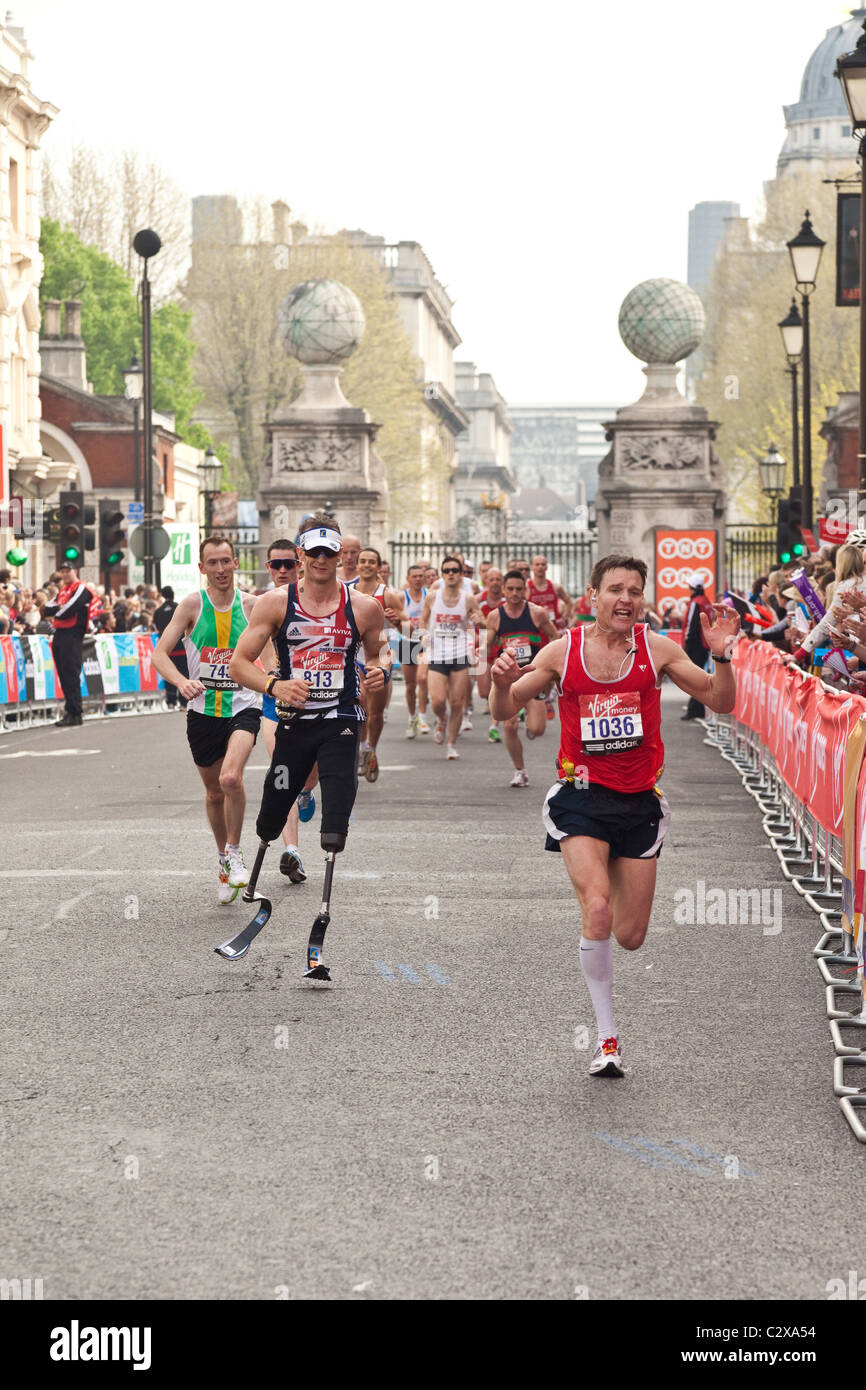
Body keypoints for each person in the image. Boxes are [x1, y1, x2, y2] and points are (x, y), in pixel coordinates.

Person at [489, 554, 739, 1078]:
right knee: (597, 909)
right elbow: (504, 709)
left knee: (629, 935)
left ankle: (607, 1022)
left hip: (639, 802)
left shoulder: (660, 649)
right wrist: (500, 679)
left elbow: (720, 702)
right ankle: (607, 1041)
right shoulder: (564, 650)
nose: (625, 598)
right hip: (581, 798)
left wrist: (723, 657)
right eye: (615, 589)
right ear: (593, 596)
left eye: (634, 590)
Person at [229, 513, 387, 893]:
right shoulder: (275, 604)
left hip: (342, 716)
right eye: (313, 552)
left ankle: (326, 890)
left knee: (337, 807)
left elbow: (379, 652)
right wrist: (275, 686)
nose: (321, 560)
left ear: (340, 557)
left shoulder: (364, 608)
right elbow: (237, 665)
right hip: (295, 719)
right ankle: (260, 865)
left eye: (328, 553)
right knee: (276, 798)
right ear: (301, 555)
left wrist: (381, 669)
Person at [153, 537, 261, 905]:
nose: (220, 569)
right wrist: (182, 681)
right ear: (202, 568)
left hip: (244, 704)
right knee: (214, 792)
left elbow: (277, 657)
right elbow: (159, 654)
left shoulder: (253, 606)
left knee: (232, 777)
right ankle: (223, 860)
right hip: (202, 712)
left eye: (226, 561)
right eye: (212, 563)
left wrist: (274, 684)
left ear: (235, 564)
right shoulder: (191, 606)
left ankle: (234, 851)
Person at [258, 537, 318, 883]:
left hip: (319, 699)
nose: (282, 570)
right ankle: (292, 850)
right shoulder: (259, 604)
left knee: (309, 776)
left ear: (298, 563)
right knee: (282, 773)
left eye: (287, 564)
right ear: (268, 568)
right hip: (274, 700)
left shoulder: (316, 599)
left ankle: (310, 789)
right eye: (274, 565)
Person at [486, 570, 559, 786]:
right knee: (508, 725)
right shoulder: (495, 616)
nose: (515, 593)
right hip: (509, 679)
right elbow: (486, 646)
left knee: (537, 729)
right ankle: (520, 771)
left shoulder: (537, 613)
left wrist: (552, 669)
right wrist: (481, 669)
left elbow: (555, 637)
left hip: (532, 676)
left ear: (525, 590)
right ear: (504, 590)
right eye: (510, 589)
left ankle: (529, 718)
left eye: (519, 589)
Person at [419, 555, 489, 759]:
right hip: (437, 653)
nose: (451, 574)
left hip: (459, 653)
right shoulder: (432, 596)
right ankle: (441, 719)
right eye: (447, 570)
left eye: (455, 571)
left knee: (458, 703)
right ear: (442, 574)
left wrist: (479, 621)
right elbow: (423, 621)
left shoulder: (468, 599)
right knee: (438, 701)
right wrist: (423, 635)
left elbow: (483, 624)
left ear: (460, 575)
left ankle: (451, 745)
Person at [354, 546, 406, 780]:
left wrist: (397, 622)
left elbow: (412, 629)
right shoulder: (347, 591)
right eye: (362, 561)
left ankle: (370, 749)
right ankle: (360, 746)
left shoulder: (388, 594)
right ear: (357, 565)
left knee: (375, 714)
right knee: (360, 704)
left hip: (381, 656)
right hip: (355, 657)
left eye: (371, 562)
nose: (366, 565)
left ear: (378, 566)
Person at [44, 560, 101, 728]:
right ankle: (70, 711)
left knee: (70, 674)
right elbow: (46, 608)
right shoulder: (62, 590)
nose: (65, 574)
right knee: (63, 674)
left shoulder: (81, 588)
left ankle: (75, 712)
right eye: (62, 571)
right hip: (59, 634)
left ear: (74, 571)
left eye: (67, 571)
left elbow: (67, 610)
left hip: (72, 634)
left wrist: (57, 611)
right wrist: (57, 610)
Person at [400, 562, 429, 737]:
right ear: (408, 579)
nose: (418, 579)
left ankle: (423, 717)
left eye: (421, 576)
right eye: (415, 576)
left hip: (425, 642)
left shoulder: (430, 596)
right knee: (410, 686)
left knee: (423, 679)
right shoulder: (401, 598)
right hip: (407, 642)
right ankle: (412, 718)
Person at [476, 567, 504, 741]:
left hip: (502, 648)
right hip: (484, 648)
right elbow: (469, 625)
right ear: (486, 582)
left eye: (498, 579)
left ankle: (494, 726)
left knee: (499, 685)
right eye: (491, 579)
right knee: (483, 690)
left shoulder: (507, 601)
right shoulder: (478, 601)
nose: (494, 583)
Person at [680, 582, 715, 721]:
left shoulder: (695, 602)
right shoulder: (706, 601)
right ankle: (697, 707)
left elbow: (690, 625)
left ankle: (695, 708)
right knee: (699, 675)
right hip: (704, 643)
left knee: (694, 678)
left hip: (695, 644)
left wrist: (686, 645)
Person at [153, 586, 189, 709]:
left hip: (167, 650)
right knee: (184, 674)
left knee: (169, 674)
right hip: (182, 648)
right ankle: (184, 702)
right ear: (173, 594)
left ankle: (171, 701)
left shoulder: (158, 612)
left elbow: (157, 628)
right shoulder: (179, 608)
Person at [528, 554, 571, 630]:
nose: (540, 567)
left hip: (553, 626)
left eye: (543, 564)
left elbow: (569, 602)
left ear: (546, 567)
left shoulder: (556, 587)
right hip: (535, 628)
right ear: (531, 567)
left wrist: (564, 618)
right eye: (537, 564)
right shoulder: (527, 587)